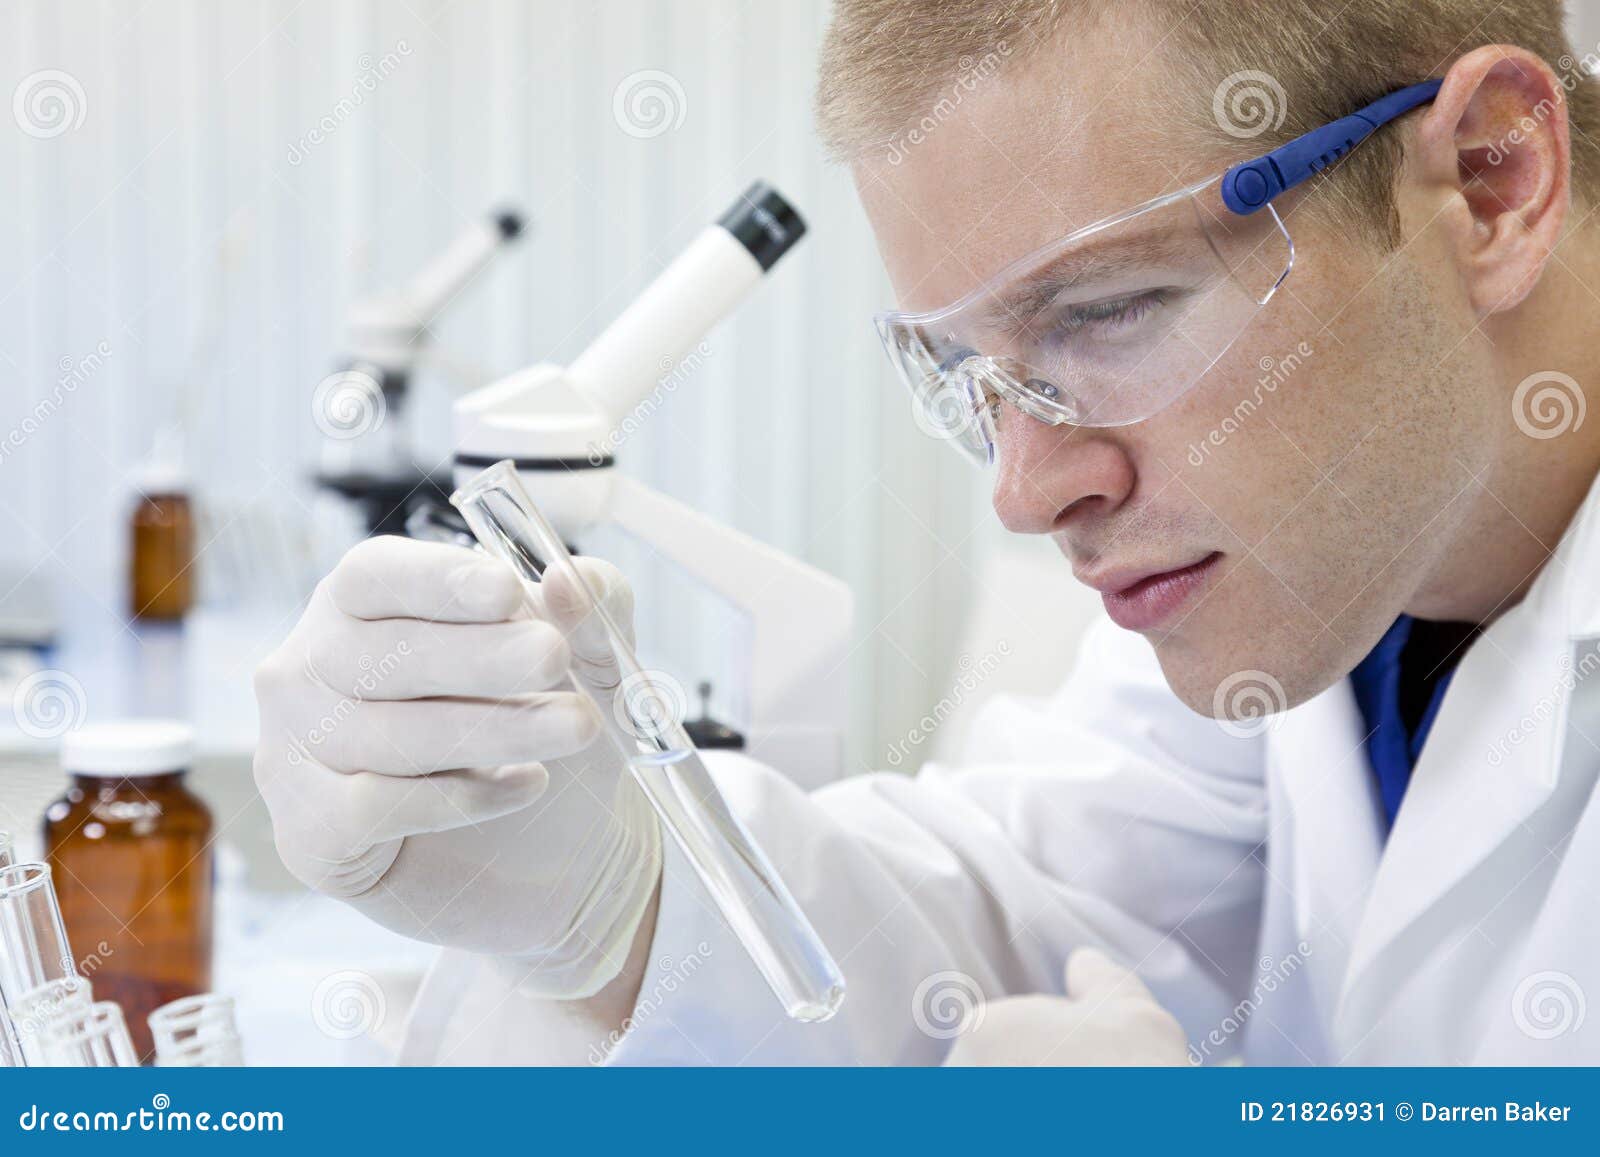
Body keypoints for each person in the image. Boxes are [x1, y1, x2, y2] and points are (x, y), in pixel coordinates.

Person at [254, 0, 1600, 1065]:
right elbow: (1021, 913)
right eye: (970, 373)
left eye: (1108, 313)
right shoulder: (1321, 571)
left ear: (1490, 181)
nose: (1025, 491)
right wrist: (613, 892)